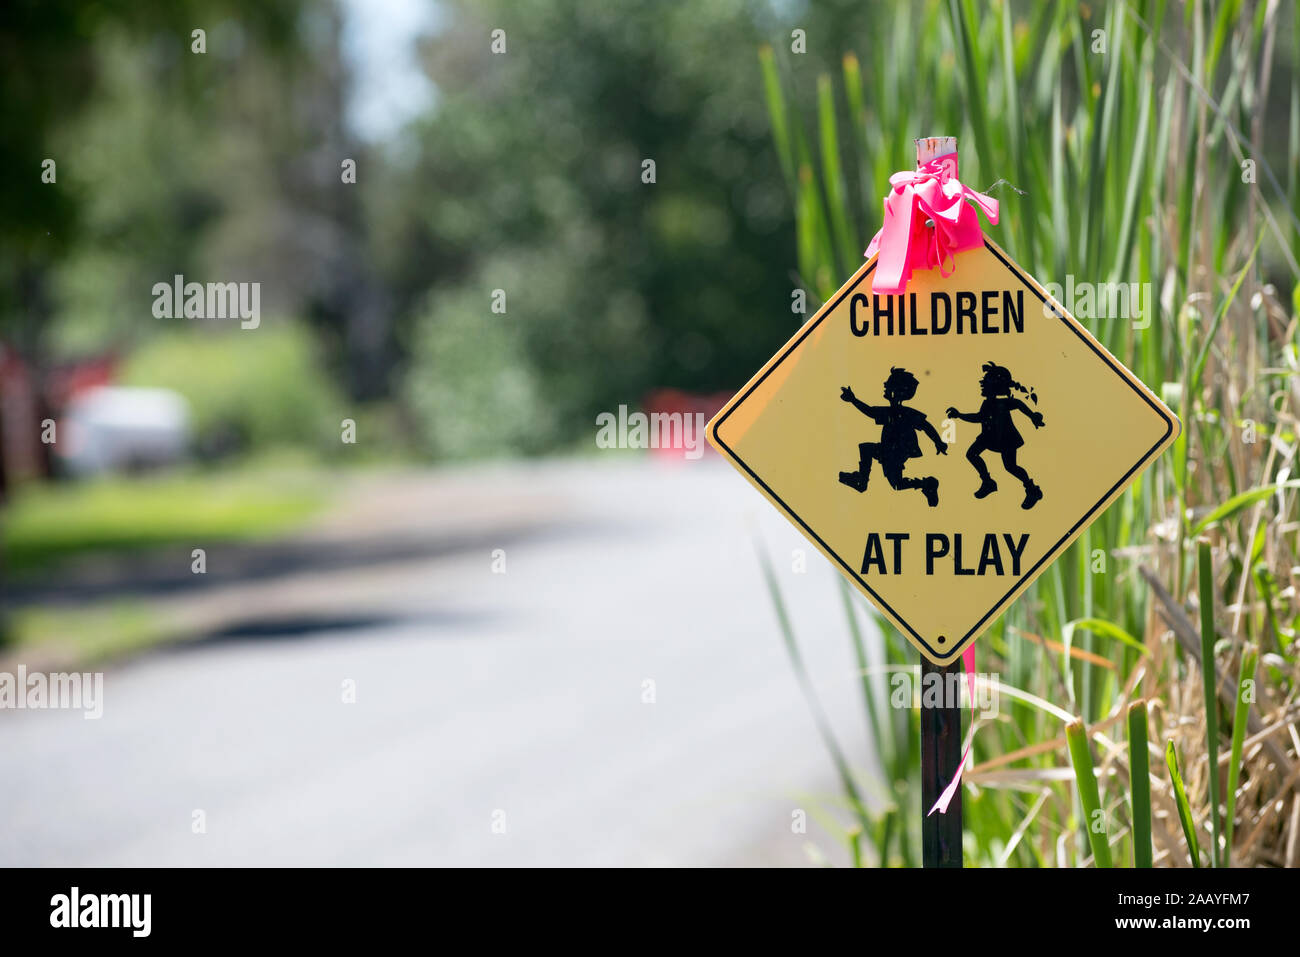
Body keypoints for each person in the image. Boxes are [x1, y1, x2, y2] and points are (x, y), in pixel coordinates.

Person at [838, 367, 946, 507]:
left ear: (897, 390)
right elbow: (871, 412)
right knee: (895, 482)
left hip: (897, 451)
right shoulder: (890, 411)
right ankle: (925, 484)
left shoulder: (906, 413)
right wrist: (853, 400)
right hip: (891, 449)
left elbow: (926, 426)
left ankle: (862, 482)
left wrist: (938, 442)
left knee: (892, 479)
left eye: (888, 384)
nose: (885, 385)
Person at [946, 361, 1044, 509]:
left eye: (986, 382)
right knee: (971, 454)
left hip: (1006, 439)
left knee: (1011, 467)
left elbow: (1018, 403)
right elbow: (979, 417)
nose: (983, 385)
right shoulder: (987, 404)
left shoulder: (1002, 403)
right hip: (989, 437)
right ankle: (988, 482)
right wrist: (959, 415)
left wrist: (1032, 417)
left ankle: (1032, 489)